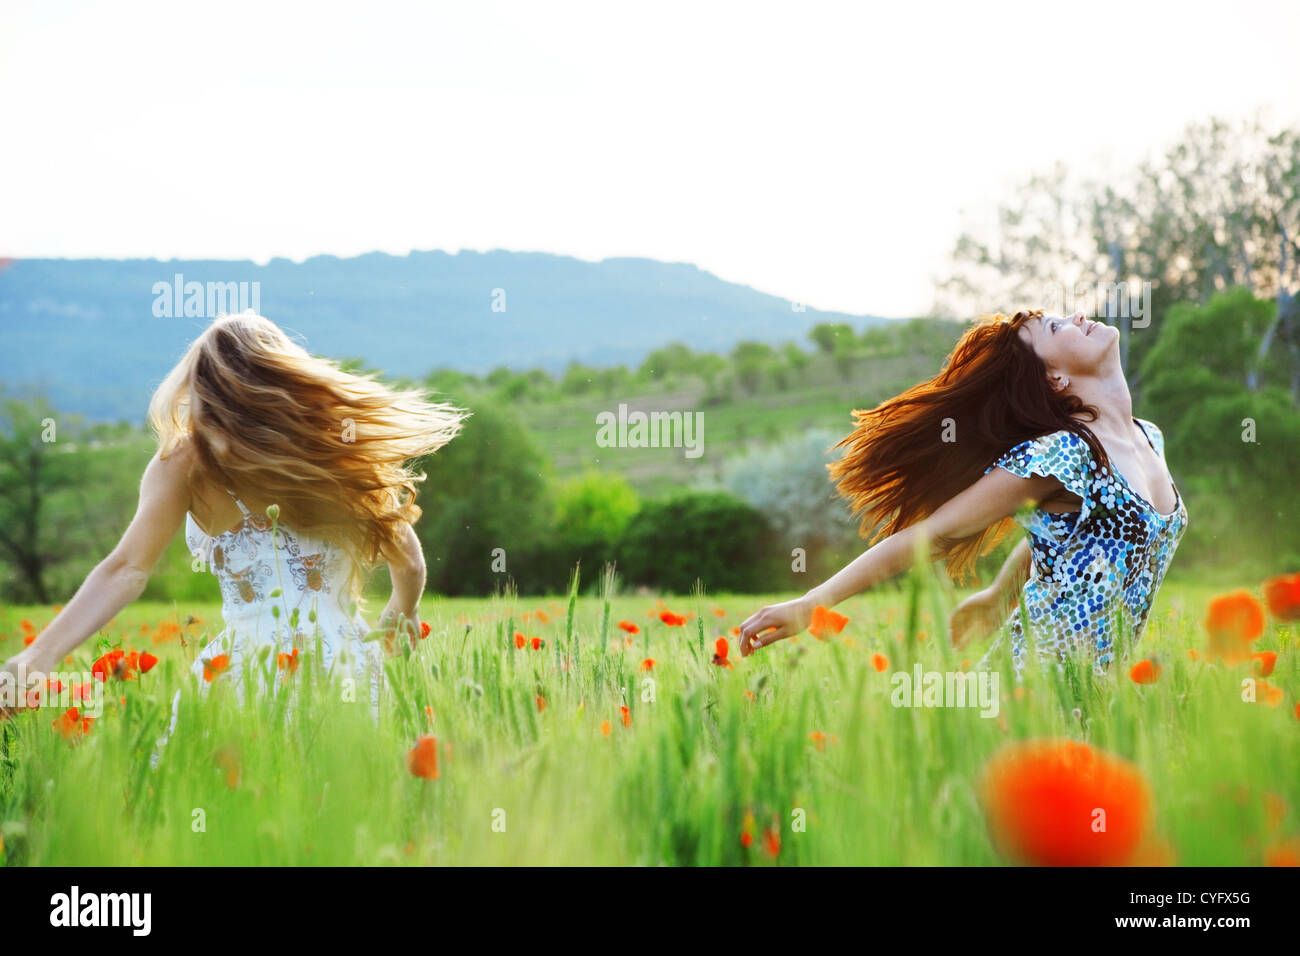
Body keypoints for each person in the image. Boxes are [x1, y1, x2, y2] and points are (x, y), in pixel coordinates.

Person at [1, 312, 466, 716]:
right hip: (346, 669)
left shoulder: (184, 464)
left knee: (232, 808)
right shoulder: (335, 455)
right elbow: (410, 564)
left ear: (200, 387)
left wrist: (39, 655)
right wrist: (400, 614)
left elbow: (125, 569)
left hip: (247, 673)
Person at [738, 308, 1188, 676]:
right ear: (1054, 378)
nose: (1074, 316)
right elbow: (931, 535)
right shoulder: (1064, 453)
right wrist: (811, 603)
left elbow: (1073, 536)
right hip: (1032, 688)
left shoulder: (1149, 437)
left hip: (1094, 700)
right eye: (1056, 327)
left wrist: (998, 595)